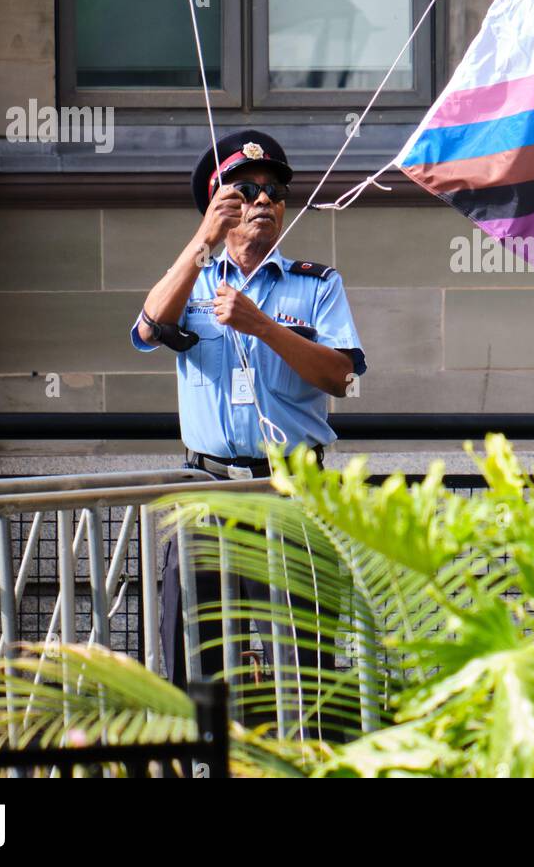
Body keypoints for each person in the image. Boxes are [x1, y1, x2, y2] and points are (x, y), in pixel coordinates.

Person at [130, 130, 365, 700]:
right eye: (247, 190)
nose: (264, 200)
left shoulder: (317, 284)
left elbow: (342, 375)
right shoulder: (193, 279)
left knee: (303, 662)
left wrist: (262, 324)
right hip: (207, 491)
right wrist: (202, 240)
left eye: (274, 191)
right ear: (219, 201)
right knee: (195, 654)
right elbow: (145, 329)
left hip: (293, 493)